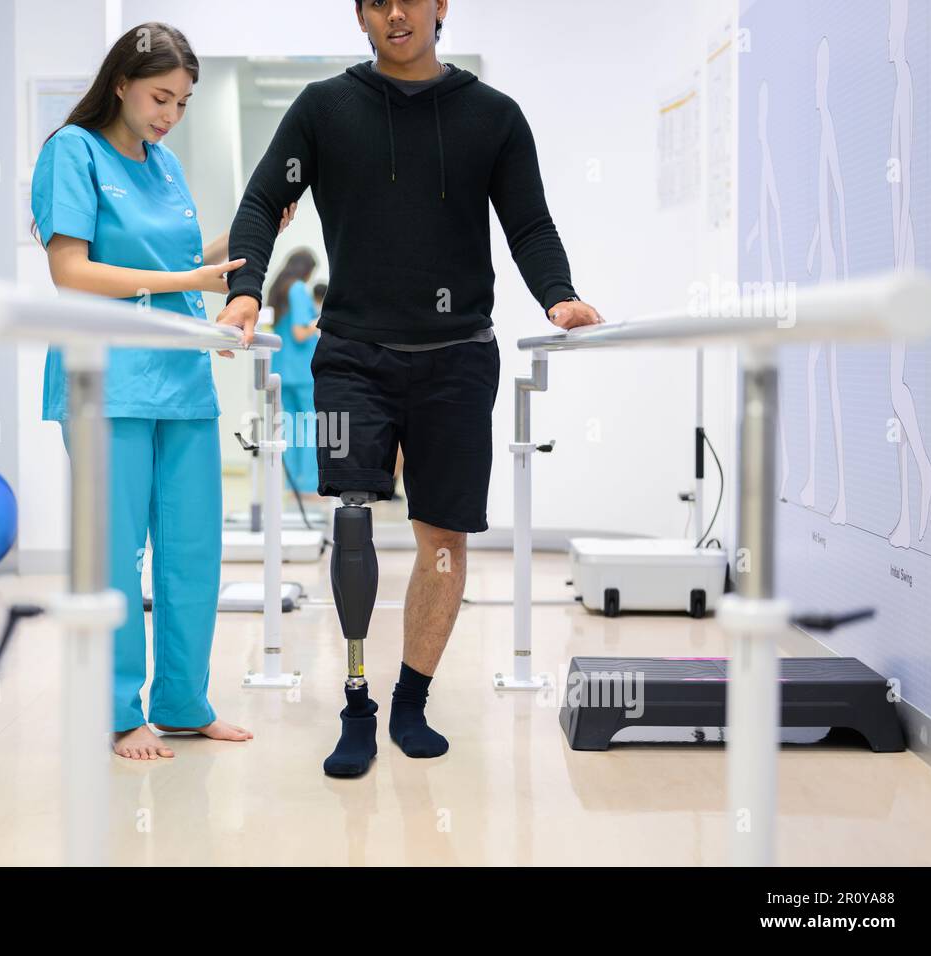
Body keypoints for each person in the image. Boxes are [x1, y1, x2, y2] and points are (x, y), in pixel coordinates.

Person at [215, 0, 603, 777]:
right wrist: (247, 288)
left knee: (445, 540)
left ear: (440, 7)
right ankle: (355, 698)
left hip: (459, 360)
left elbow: (528, 223)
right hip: (349, 356)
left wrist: (557, 294)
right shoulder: (325, 109)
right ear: (360, 16)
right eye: (377, 2)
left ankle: (412, 698)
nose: (396, 14)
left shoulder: (493, 117)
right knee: (351, 521)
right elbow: (263, 200)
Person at [30, 22, 295, 761]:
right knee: (117, 555)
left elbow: (181, 258)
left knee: (190, 549)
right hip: (105, 378)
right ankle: (117, 712)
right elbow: (71, 270)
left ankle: (183, 701)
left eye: (181, 103)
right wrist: (189, 282)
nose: (168, 115)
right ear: (120, 83)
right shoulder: (70, 153)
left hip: (180, 378)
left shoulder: (166, 167)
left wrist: (244, 239)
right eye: (159, 97)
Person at [266, 248, 321, 495]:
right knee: (310, 425)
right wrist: (322, 320)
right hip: (301, 371)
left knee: (288, 425)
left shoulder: (278, 290)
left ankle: (290, 485)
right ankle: (308, 484)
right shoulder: (298, 289)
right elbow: (300, 332)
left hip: (280, 370)